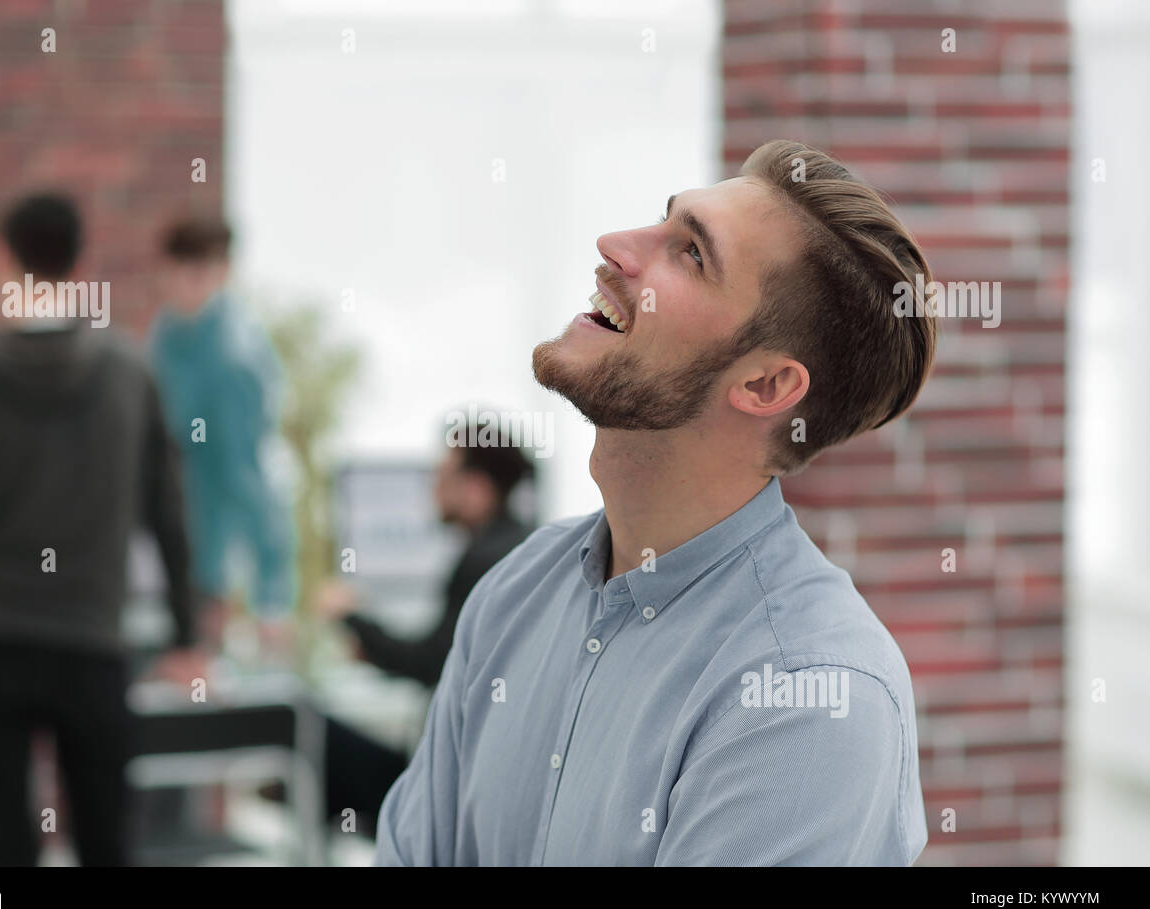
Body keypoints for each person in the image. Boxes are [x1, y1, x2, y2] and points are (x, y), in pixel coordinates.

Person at [376, 140, 935, 866]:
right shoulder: (515, 593)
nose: (614, 246)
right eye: (663, 223)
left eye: (691, 254)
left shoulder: (810, 695)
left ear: (766, 387)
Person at [0, 193, 202, 866]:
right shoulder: (131, 374)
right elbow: (168, 514)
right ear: (81, 262)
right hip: (93, 643)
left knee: (7, 856)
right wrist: (185, 632)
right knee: (106, 845)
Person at [315, 438, 533, 833]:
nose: (432, 488)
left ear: (476, 488)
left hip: (454, 785)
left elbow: (431, 660)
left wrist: (352, 618)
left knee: (312, 734)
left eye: (444, 476)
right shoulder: (519, 548)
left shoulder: (487, 559)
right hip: (474, 773)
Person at [148, 217, 294, 648]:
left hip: (214, 575)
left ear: (223, 274)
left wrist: (270, 597)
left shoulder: (236, 357)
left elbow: (247, 478)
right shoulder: (166, 338)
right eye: (182, 273)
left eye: (202, 275)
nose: (190, 288)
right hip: (171, 552)